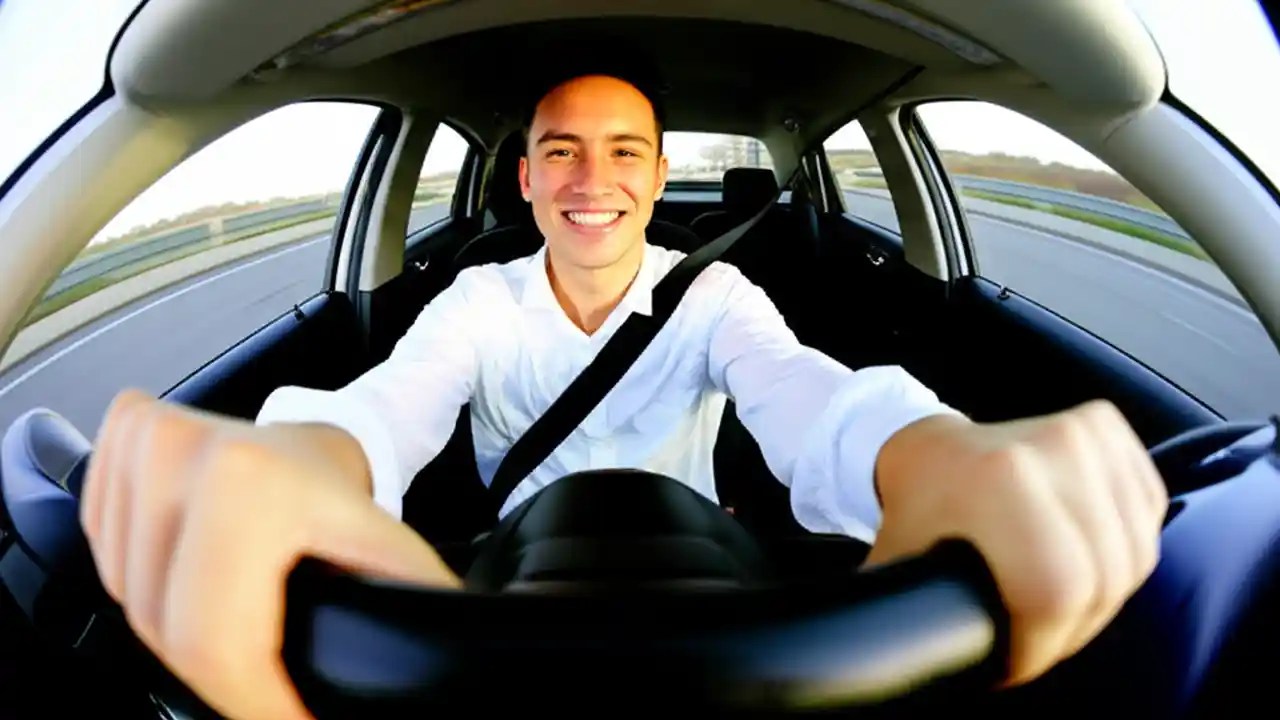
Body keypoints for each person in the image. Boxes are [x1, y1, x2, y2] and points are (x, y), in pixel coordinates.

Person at [80, 70, 1168, 720]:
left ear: (654, 175)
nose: (590, 182)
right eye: (559, 152)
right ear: (524, 178)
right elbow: (387, 407)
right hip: (512, 604)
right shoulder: (476, 300)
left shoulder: (716, 292)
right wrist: (295, 463)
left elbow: (808, 395)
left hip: (706, 585)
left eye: (622, 154)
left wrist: (934, 454)